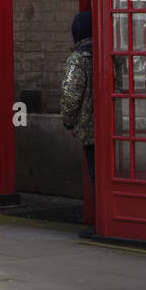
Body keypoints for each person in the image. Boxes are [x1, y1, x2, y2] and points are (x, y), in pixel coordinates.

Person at [60, 11, 94, 184]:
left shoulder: (77, 59)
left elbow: (71, 95)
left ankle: (100, 211)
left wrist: (68, 122)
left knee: (95, 175)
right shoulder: (109, 53)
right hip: (113, 127)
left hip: (89, 129)